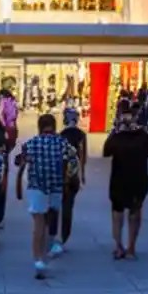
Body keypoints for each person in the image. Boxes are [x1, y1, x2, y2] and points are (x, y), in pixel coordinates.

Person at [16, 113, 78, 280]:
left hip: (37, 187)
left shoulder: (31, 143)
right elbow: (74, 161)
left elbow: (20, 161)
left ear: (39, 127)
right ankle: (50, 246)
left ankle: (38, 260)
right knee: (51, 219)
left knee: (38, 224)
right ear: (54, 127)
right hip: (56, 187)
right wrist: (67, 179)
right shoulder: (63, 143)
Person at [103, 99, 148, 260]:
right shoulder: (144, 137)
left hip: (119, 179)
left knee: (117, 214)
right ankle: (131, 246)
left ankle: (119, 246)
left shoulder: (117, 137)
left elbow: (106, 151)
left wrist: (115, 131)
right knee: (134, 213)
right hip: (138, 179)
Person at [54, 107, 87, 250]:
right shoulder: (81, 135)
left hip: (60, 174)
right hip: (73, 174)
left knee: (56, 205)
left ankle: (53, 235)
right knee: (68, 206)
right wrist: (82, 174)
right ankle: (64, 235)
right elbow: (83, 156)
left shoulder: (61, 135)